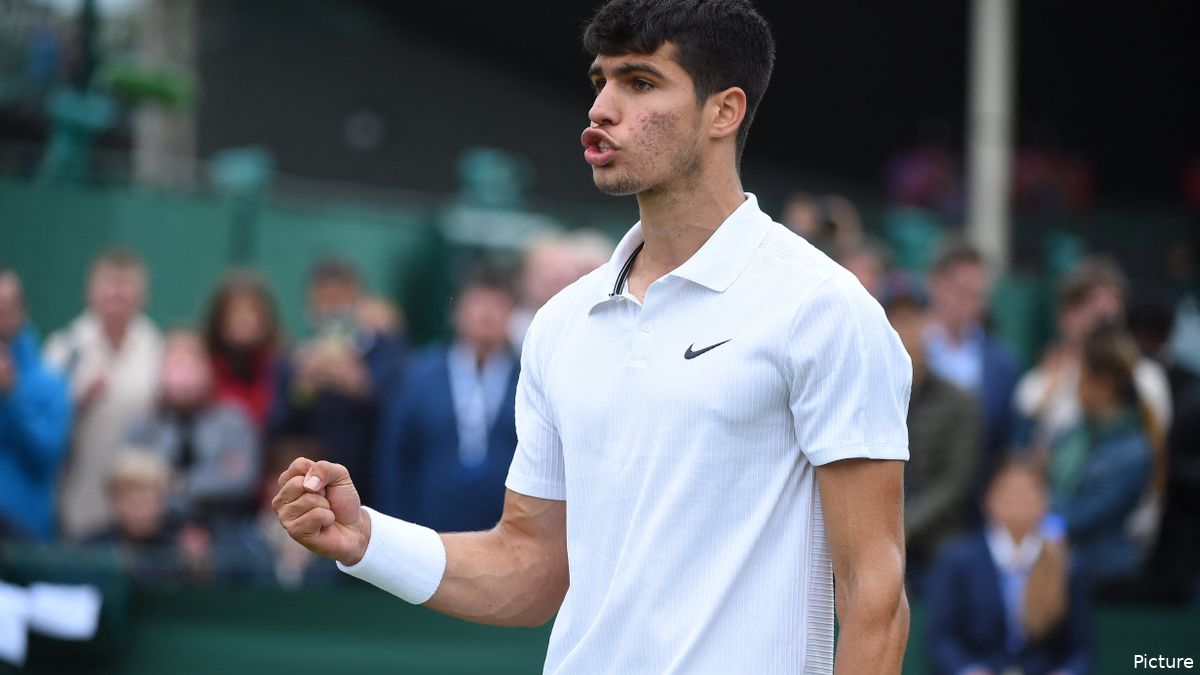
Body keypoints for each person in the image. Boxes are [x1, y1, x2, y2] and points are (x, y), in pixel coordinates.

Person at [273, 2, 912, 673]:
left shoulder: (824, 309)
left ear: (724, 112)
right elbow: (528, 566)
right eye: (600, 81)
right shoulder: (560, 323)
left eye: (639, 83)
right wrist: (365, 537)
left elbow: (876, 596)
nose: (602, 108)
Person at [375, 268, 520, 532]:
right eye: (477, 303)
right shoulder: (419, 374)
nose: (486, 314)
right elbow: (394, 455)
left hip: (507, 529)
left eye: (498, 305)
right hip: (429, 528)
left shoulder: (529, 377)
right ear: (457, 312)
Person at [927, 462, 1091, 675]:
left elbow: (1080, 649)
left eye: (1029, 492)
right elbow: (941, 639)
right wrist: (969, 671)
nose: (1019, 501)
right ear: (988, 499)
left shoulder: (1066, 563)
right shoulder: (957, 561)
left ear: (1045, 500)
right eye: (1010, 491)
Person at [45, 249, 163, 540]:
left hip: (137, 508)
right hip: (76, 499)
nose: (117, 298)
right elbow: (44, 427)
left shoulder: (156, 348)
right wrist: (75, 403)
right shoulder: (64, 349)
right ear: (91, 292)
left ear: (142, 296)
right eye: (109, 287)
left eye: (126, 289)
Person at [267, 258, 405, 504]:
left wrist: (359, 384)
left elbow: (399, 416)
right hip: (317, 491)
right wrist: (302, 388)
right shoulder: (296, 360)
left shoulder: (386, 353)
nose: (332, 311)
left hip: (374, 492)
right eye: (324, 302)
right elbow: (277, 429)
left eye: (340, 301)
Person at [1015, 256, 1172, 450]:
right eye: (1089, 305)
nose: (1102, 315)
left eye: (1111, 306)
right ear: (1064, 317)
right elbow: (1024, 449)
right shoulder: (1038, 383)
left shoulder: (1147, 378)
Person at [1049, 324, 1162, 592]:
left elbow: (1086, 514)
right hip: (1060, 566)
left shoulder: (1134, 451)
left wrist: (1037, 520)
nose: (1074, 382)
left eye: (1080, 374)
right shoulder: (1070, 435)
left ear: (1103, 383)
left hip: (1107, 577)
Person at [884, 281, 982, 581]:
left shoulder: (959, 402)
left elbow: (955, 482)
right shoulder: (866, 395)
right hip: (878, 537)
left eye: (912, 319)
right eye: (894, 320)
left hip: (938, 541)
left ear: (930, 325)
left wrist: (904, 526)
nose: (904, 330)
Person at [128, 329, 261, 526]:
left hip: (228, 530)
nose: (182, 377)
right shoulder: (144, 425)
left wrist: (179, 484)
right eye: (174, 366)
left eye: (191, 366)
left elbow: (241, 481)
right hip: (159, 533)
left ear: (207, 370)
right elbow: (129, 482)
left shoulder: (234, 422)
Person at [924, 240, 1019, 480]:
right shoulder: (906, 351)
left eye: (979, 294)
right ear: (937, 285)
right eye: (963, 291)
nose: (972, 303)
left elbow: (1004, 443)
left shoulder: (1002, 365)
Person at [0, 269, 71, 541]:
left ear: (23, 310)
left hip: (25, 537)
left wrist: (10, 396)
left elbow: (46, 457)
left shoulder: (49, 384)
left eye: (8, 305)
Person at [203, 269, 282, 430]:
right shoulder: (204, 368)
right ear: (219, 319)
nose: (243, 319)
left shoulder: (281, 368)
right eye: (234, 311)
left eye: (252, 311)